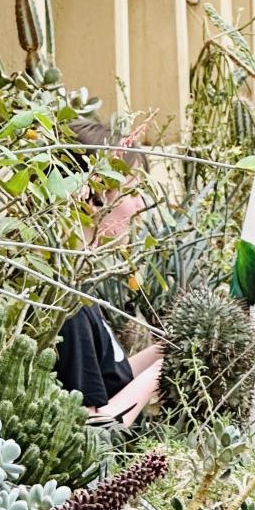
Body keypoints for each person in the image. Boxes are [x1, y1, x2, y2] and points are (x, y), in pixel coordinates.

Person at [53, 119, 162, 426]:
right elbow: (94, 431)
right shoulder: (64, 300)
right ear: (92, 196)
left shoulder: (77, 283)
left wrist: (168, 351)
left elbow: (109, 379)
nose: (141, 204)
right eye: (133, 190)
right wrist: (159, 374)